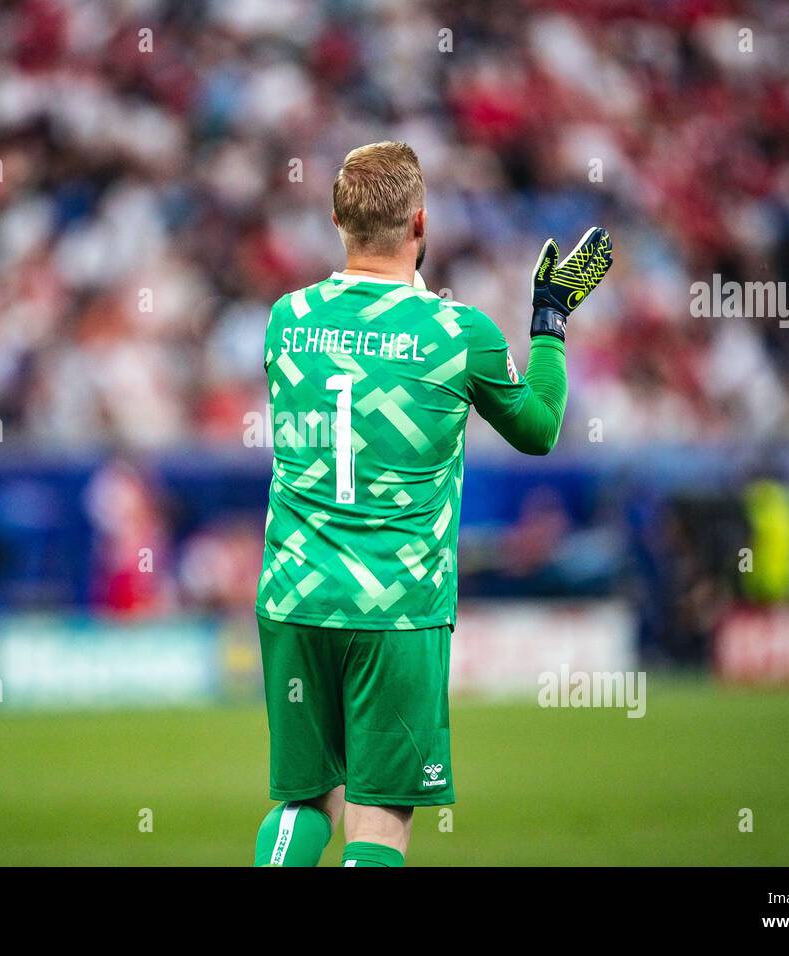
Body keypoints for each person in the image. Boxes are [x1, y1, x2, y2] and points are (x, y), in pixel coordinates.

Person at [252, 141, 613, 866]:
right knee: (379, 818)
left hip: (293, 593)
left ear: (335, 220)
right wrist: (550, 317)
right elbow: (540, 430)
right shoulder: (459, 334)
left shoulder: (285, 319)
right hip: (396, 603)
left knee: (303, 801)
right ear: (421, 222)